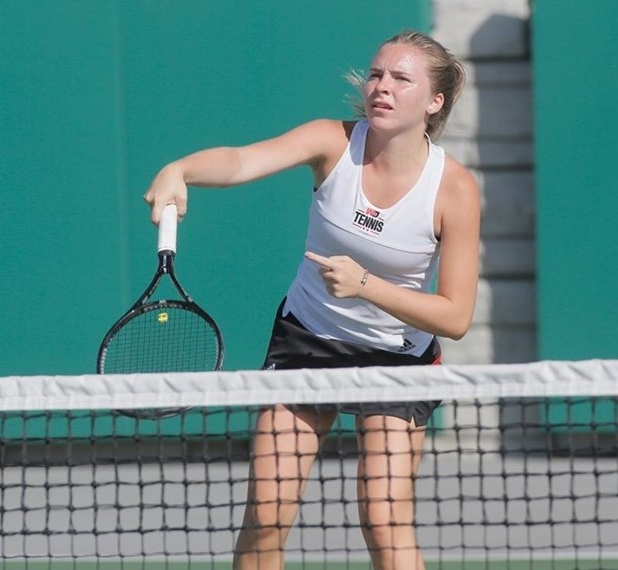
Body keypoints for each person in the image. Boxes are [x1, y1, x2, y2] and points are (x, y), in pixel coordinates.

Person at [143, 30, 479, 570]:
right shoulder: (331, 142)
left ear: (434, 102)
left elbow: (457, 316)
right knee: (269, 513)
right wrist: (179, 170)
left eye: (401, 79)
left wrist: (366, 286)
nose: (382, 88)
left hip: (398, 361)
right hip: (307, 342)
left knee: (384, 519)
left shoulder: (454, 189)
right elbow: (240, 160)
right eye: (376, 74)